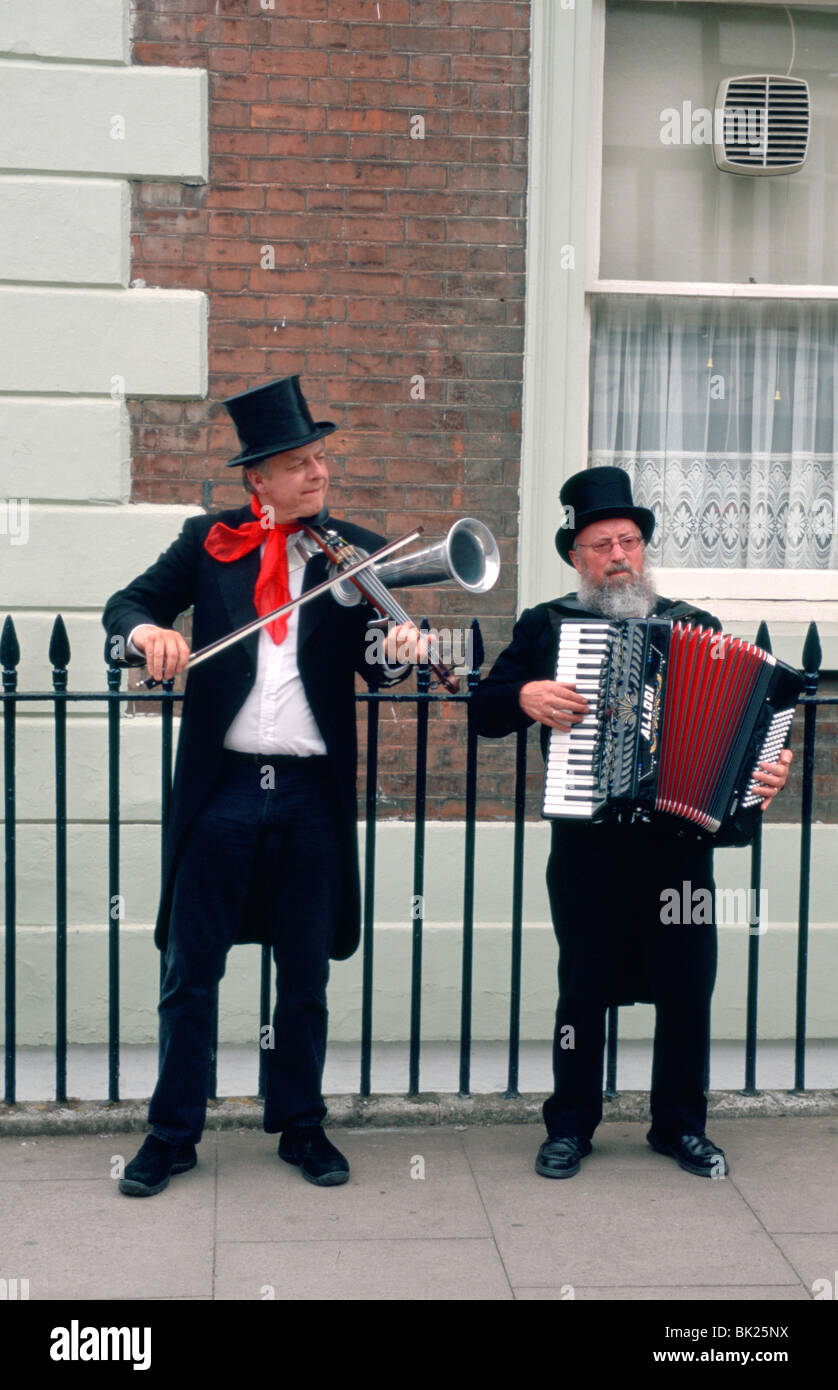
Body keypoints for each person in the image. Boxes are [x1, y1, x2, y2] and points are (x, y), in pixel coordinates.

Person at [103, 375, 428, 1196]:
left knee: (304, 976)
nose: (318, 473)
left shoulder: (356, 553)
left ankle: (300, 1125)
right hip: (223, 790)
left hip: (311, 796)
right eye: (297, 463)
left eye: (320, 458)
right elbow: (127, 604)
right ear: (259, 479)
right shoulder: (207, 542)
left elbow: (380, 667)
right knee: (190, 972)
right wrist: (147, 635)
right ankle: (172, 1132)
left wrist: (400, 653)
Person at [469, 467, 792, 1180]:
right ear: (576, 557)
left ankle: (679, 1125)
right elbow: (484, 712)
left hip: (679, 848)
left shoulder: (695, 626)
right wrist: (524, 695)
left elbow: (741, 732)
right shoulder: (547, 626)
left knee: (688, 988)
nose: (619, 556)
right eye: (601, 545)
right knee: (582, 989)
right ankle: (570, 1126)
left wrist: (766, 771)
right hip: (588, 847)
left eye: (630, 541)